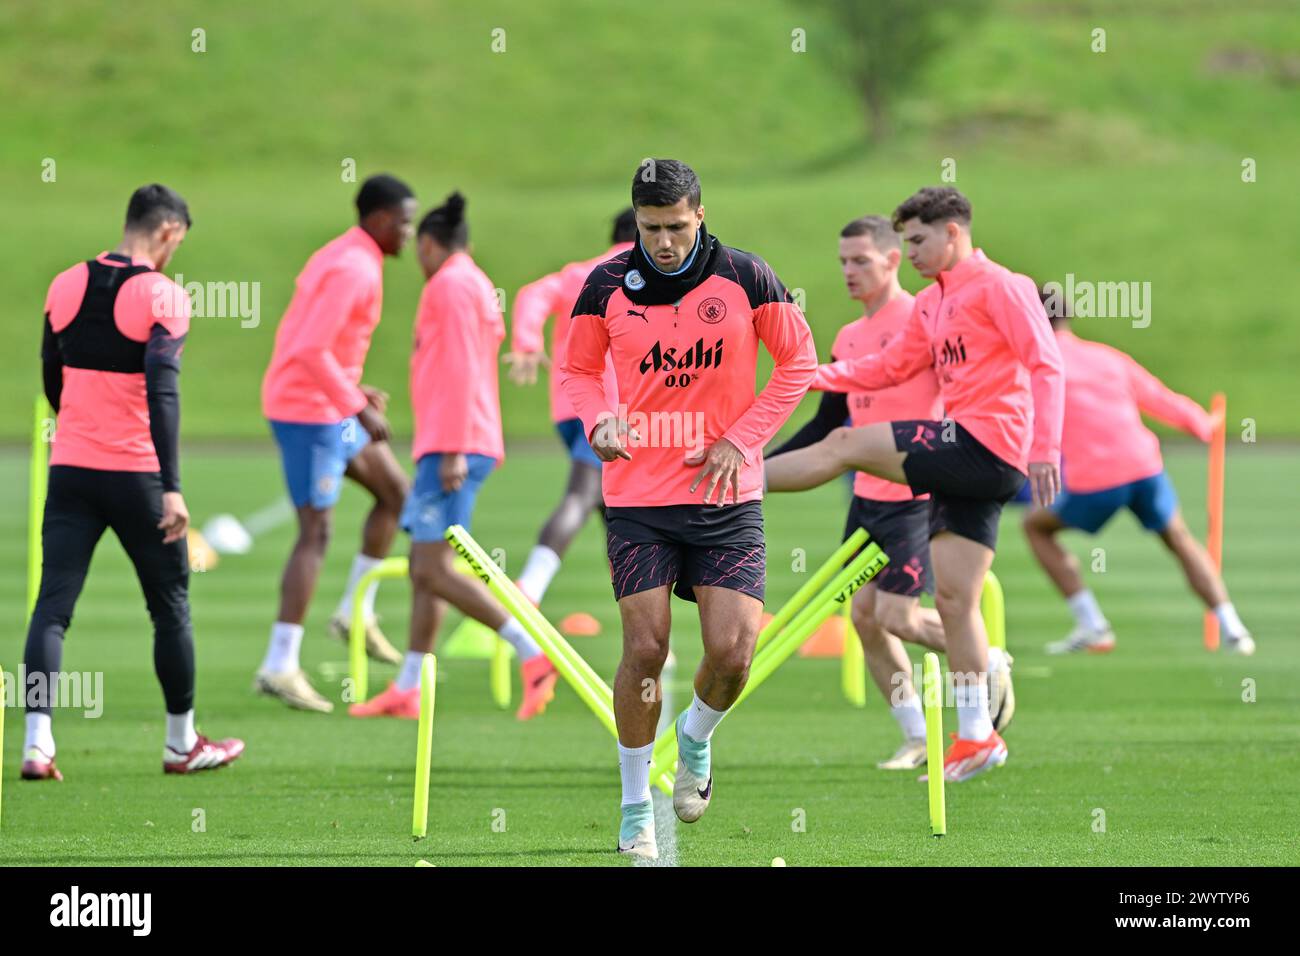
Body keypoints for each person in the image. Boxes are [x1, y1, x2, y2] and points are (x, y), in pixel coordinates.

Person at [562, 159, 817, 859]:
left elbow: (799, 362)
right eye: (651, 228)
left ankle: (697, 738)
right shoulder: (607, 284)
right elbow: (579, 370)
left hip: (724, 496)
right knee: (645, 648)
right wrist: (598, 423)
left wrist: (743, 438)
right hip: (640, 496)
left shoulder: (746, 276)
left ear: (700, 215)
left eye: (677, 226)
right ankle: (636, 804)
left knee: (733, 653)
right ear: (636, 221)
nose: (665, 241)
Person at [765, 186, 1064, 783]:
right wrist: (812, 374)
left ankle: (731, 481)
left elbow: (1046, 362)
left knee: (848, 445)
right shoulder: (932, 304)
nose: (913, 253)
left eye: (919, 241)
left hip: (985, 444)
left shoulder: (1002, 286)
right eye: (905, 242)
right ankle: (978, 738)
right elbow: (889, 367)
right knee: (954, 603)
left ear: (953, 232)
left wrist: (1045, 449)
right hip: (962, 462)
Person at [24, 183, 243, 780]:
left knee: (52, 608)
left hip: (70, 470)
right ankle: (181, 744)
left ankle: (37, 746)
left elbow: (53, 376)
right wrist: (172, 485)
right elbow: (162, 389)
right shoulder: (163, 295)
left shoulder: (65, 283)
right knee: (170, 606)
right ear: (169, 231)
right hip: (137, 476)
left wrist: (75, 427)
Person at [768, 214, 984, 772]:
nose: (848, 271)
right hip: (866, 498)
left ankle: (988, 663)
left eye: (860, 260)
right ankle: (915, 734)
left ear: (892, 260)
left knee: (898, 617)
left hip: (915, 496)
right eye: (842, 261)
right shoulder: (847, 337)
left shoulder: (921, 318)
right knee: (863, 618)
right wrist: (756, 460)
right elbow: (825, 429)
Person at [349, 192, 560, 720]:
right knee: (428, 569)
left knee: (431, 568)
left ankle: (531, 651)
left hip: (454, 445)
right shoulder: (476, 283)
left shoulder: (449, 287)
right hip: (461, 440)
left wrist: (450, 448)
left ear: (427, 245)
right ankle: (408, 687)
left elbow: (461, 369)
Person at [256, 175, 417, 713]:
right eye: (403, 221)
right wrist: (357, 406)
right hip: (307, 413)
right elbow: (308, 347)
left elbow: (312, 340)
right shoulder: (352, 267)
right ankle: (279, 664)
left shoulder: (347, 254)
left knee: (397, 493)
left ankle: (354, 611)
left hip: (329, 405)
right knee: (315, 531)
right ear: (377, 220)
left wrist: (352, 389)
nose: (410, 233)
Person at [1023, 290, 1254, 655]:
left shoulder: (1039, 366)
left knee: (1035, 527)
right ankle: (1234, 627)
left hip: (1095, 479)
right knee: (1179, 538)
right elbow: (1158, 397)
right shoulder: (1107, 356)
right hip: (1144, 466)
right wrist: (1203, 424)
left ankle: (1092, 624)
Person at [505, 208, 637, 608]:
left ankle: (650, 637)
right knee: (583, 495)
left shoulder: (581, 272)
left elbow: (532, 294)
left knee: (616, 519)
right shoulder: (642, 273)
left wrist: (527, 342)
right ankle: (529, 588)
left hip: (567, 408)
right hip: (609, 411)